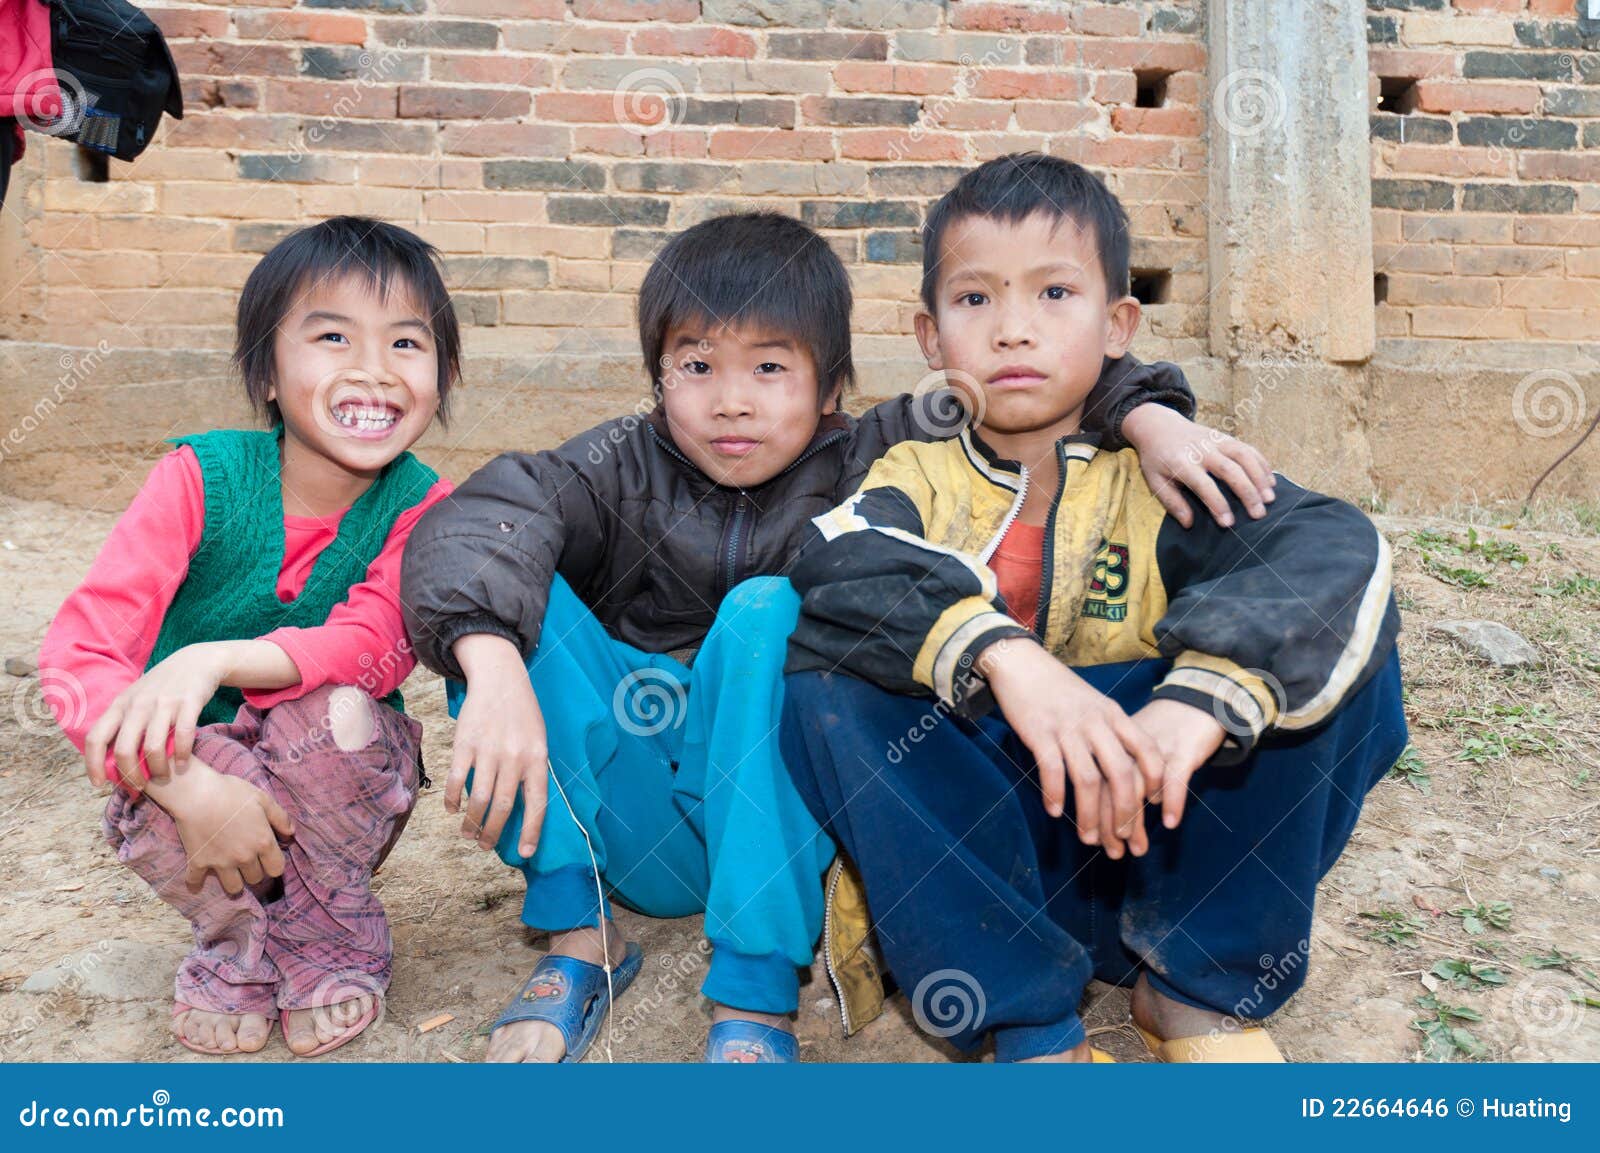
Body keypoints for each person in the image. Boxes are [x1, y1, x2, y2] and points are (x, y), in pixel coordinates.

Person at [400, 209, 1274, 1063]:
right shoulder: (616, 463)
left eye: (771, 367)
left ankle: (752, 992)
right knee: (508, 606)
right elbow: (480, 520)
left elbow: (1039, 388)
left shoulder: (875, 453)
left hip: (778, 822)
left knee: (768, 608)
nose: (731, 401)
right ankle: (577, 939)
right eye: (696, 364)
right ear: (658, 377)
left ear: (828, 389)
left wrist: (1152, 417)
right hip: (620, 826)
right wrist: (491, 660)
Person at [779, 153, 1407, 1064]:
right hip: (999, 868)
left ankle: (1197, 991)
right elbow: (836, 558)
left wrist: (1199, 701)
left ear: (1119, 325)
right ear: (929, 336)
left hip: (1171, 838)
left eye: (1055, 294)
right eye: (976, 300)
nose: (1013, 332)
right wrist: (1006, 655)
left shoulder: (1166, 474)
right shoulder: (910, 471)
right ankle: (1027, 1023)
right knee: (830, 669)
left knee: (1342, 642)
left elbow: (1335, 549)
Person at [40, 217, 457, 1057]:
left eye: (406, 342)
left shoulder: (424, 507)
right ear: (267, 371)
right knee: (160, 747)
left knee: (338, 708)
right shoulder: (200, 478)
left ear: (441, 378)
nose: (372, 368)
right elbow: (81, 655)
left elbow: (373, 639)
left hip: (333, 784)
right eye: (332, 335)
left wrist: (212, 657)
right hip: (191, 782)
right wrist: (188, 785)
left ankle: (332, 936)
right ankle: (240, 944)